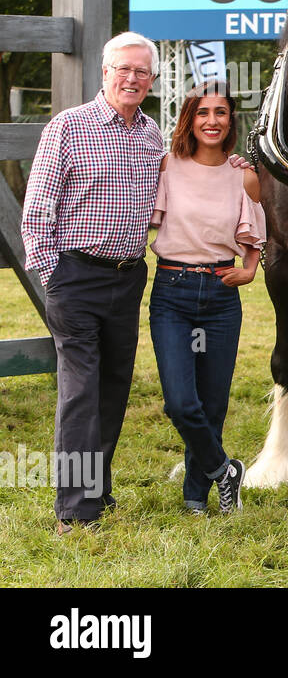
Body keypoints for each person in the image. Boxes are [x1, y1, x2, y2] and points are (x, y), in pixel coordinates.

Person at [21, 32, 167, 535]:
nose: (132, 78)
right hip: (75, 277)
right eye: (123, 69)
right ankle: (74, 509)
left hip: (127, 280)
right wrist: (52, 274)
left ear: (152, 79)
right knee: (81, 391)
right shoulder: (68, 127)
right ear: (104, 72)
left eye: (141, 72)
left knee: (112, 388)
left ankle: (96, 492)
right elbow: (37, 210)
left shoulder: (153, 136)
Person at [149, 81, 265, 515]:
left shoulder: (243, 174)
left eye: (220, 112)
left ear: (230, 120)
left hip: (220, 295)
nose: (212, 121)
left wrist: (250, 268)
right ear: (189, 120)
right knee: (181, 401)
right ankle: (224, 470)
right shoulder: (168, 166)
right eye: (202, 113)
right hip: (172, 292)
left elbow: (256, 228)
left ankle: (196, 496)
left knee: (212, 402)